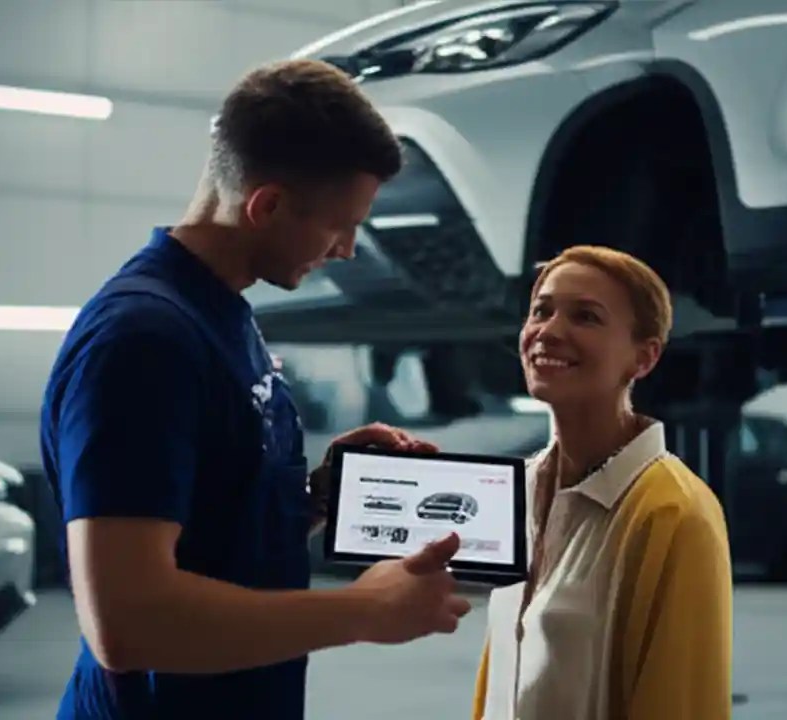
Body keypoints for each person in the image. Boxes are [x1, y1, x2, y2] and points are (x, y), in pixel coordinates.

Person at [39, 59, 472, 720]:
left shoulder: (222, 315)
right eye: (340, 225)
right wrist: (362, 610)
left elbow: (209, 531)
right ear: (266, 205)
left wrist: (312, 499)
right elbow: (126, 623)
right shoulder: (144, 339)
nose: (348, 250)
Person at [470, 246, 733, 720]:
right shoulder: (522, 489)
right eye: (541, 311)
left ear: (644, 358)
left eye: (585, 317)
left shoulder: (675, 513)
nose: (548, 332)